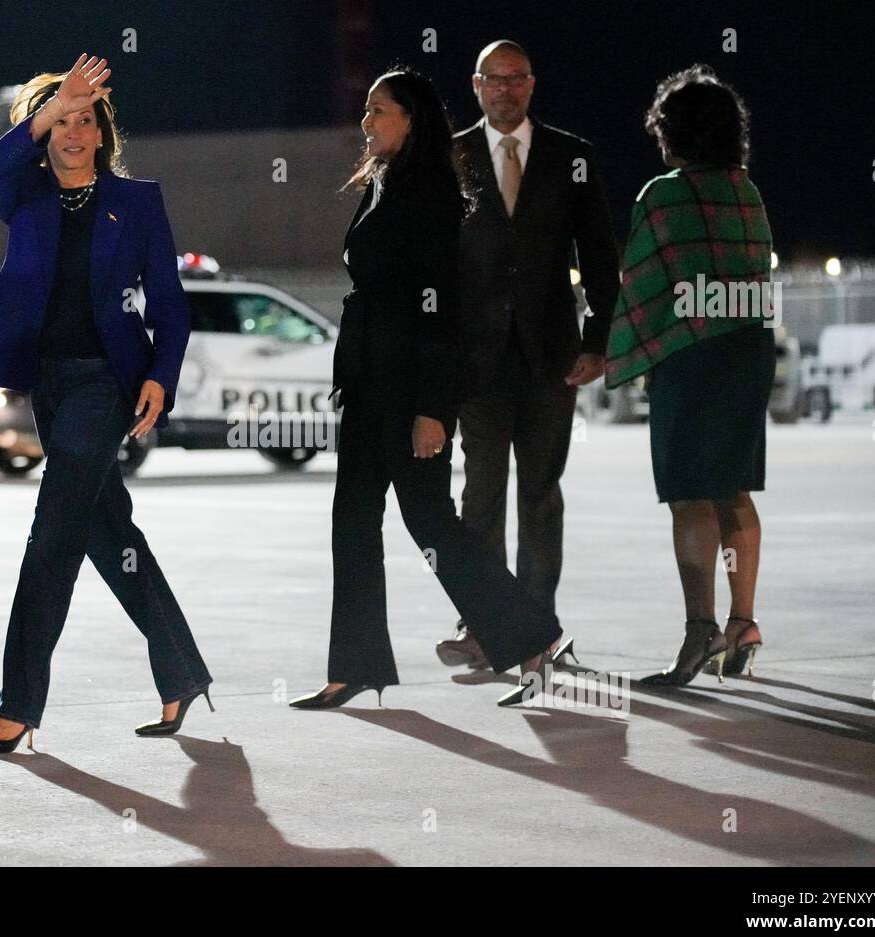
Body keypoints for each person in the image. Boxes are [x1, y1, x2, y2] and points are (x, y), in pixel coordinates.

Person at [289, 66, 569, 713]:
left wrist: (433, 410)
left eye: (378, 110)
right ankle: (354, 666)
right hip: (366, 385)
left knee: (431, 524)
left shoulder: (432, 193)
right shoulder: (385, 184)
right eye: (365, 110)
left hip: (411, 389)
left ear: (411, 119)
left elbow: (442, 312)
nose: (366, 122)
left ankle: (534, 639)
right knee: (352, 522)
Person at [0, 54, 212, 752]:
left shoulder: (136, 203)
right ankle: (182, 671)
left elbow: (169, 301)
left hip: (108, 383)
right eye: (60, 121)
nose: (73, 131)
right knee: (109, 534)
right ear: (44, 133)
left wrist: (162, 372)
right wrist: (44, 108)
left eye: (84, 119)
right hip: (50, 382)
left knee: (53, 537)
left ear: (102, 132)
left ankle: (18, 706)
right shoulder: (26, 194)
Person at [436, 39, 620, 673]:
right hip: (476, 360)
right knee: (480, 496)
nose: (506, 90)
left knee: (541, 494)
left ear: (532, 85)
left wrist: (598, 341)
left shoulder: (572, 157)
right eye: (495, 79)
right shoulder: (451, 155)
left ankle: (537, 630)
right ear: (477, 84)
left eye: (517, 80)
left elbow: (599, 254)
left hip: (553, 359)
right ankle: (489, 624)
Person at [604, 65, 774, 685]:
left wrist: (618, 350)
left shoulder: (664, 194)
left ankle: (699, 631)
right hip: (748, 352)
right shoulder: (746, 192)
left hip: (691, 360)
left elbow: (642, 286)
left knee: (688, 496)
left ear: (671, 133)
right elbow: (751, 285)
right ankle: (743, 622)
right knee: (733, 490)